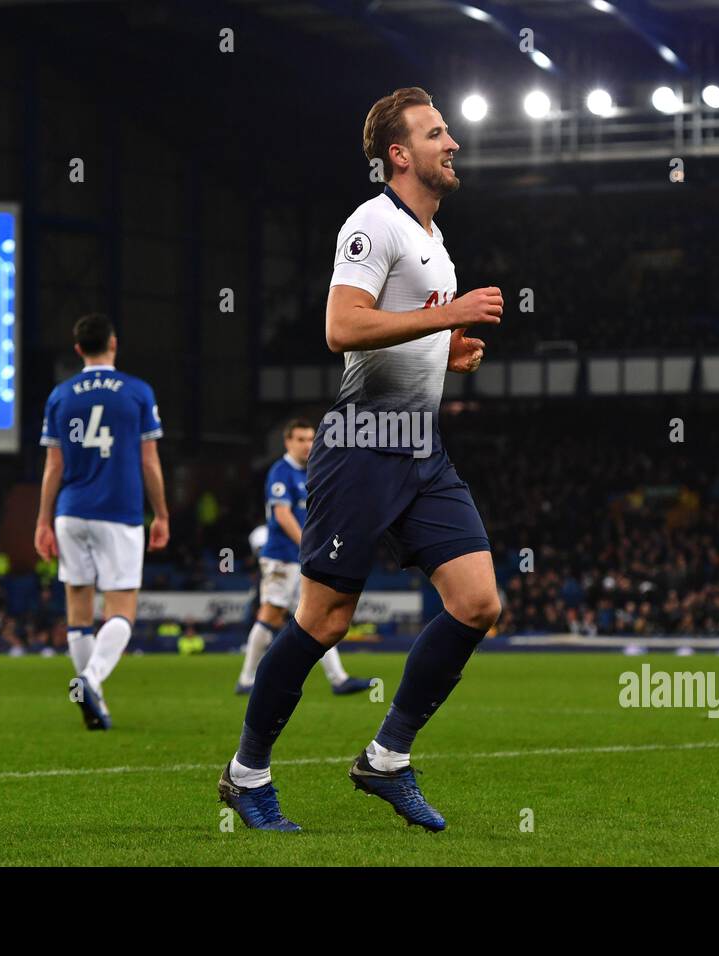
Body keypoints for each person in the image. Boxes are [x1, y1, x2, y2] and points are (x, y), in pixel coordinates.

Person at [218, 87, 502, 832]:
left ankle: (386, 758)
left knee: (478, 602)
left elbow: (402, 333)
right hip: (362, 444)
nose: (454, 144)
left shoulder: (434, 240)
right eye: (438, 133)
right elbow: (342, 326)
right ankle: (247, 775)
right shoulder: (372, 222)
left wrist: (449, 352)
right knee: (324, 619)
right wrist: (449, 315)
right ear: (400, 154)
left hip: (420, 447)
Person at [34, 313, 169, 730]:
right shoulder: (137, 392)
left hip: (70, 511)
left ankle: (96, 702)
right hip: (119, 511)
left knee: (78, 608)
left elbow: (53, 466)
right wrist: (161, 513)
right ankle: (91, 680)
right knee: (121, 608)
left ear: (78, 349)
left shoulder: (60, 395)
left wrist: (42, 519)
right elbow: (149, 461)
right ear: (113, 343)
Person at [235, 419, 373, 696]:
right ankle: (247, 679)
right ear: (288, 442)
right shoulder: (281, 471)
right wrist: (308, 546)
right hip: (281, 557)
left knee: (317, 616)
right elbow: (282, 515)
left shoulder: (312, 471)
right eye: (300, 439)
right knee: (270, 614)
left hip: (300, 558)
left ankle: (339, 680)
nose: (307, 445)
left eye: (311, 439)